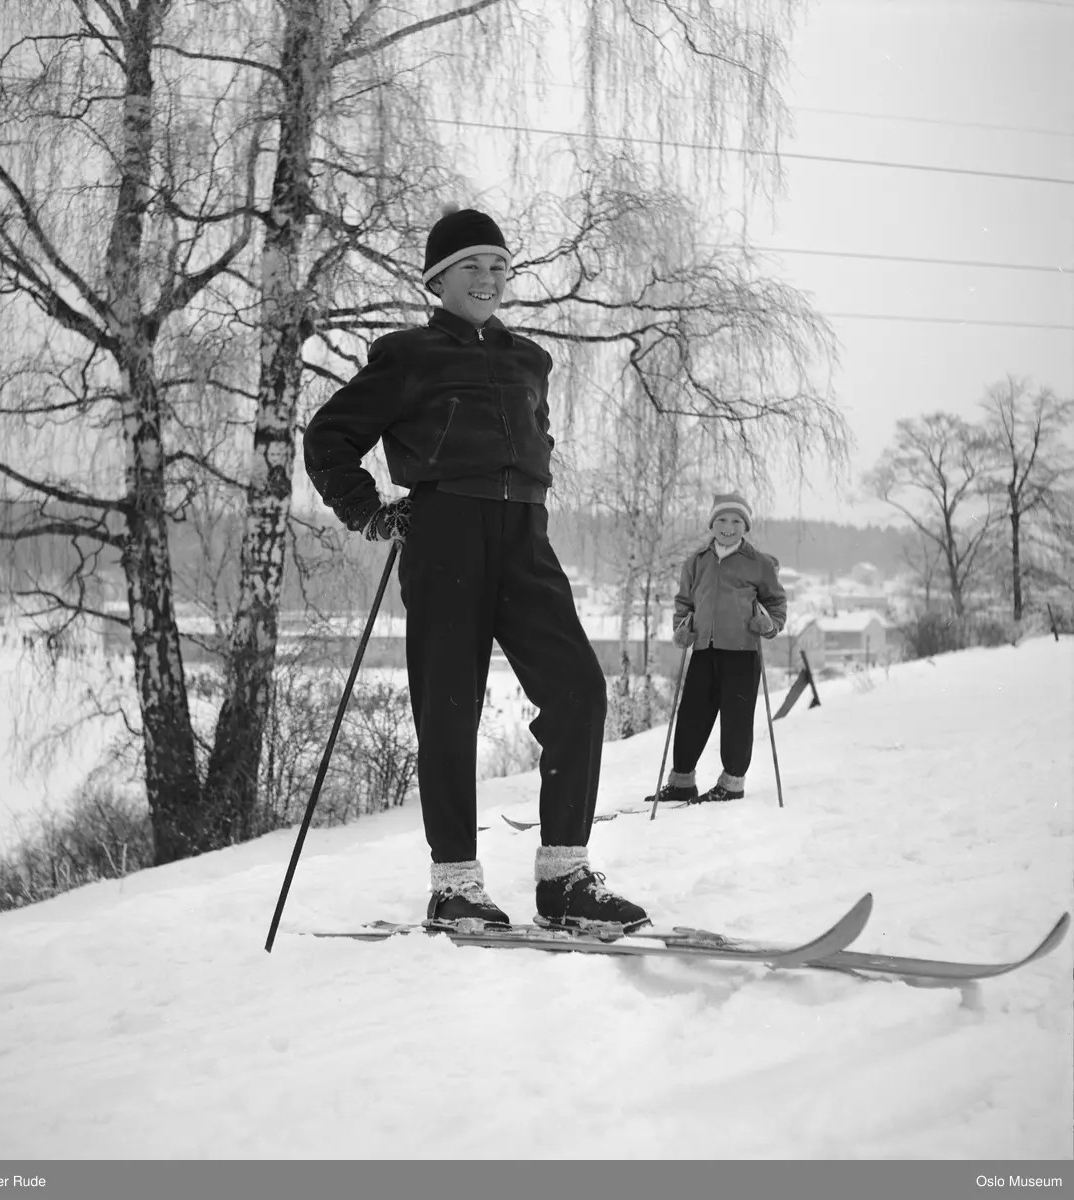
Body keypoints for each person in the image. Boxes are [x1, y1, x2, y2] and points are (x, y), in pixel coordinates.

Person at [302, 206, 647, 932]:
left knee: (578, 691)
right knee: (449, 712)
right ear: (438, 280)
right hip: (446, 536)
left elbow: (537, 438)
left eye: (499, 266)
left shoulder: (528, 360)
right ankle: (455, 884)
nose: (489, 277)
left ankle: (564, 879)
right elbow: (330, 437)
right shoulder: (408, 357)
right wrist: (371, 512)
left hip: (525, 535)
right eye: (472, 267)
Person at [648, 492, 787, 805]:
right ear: (712, 524)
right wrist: (682, 627)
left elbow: (776, 603)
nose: (728, 526)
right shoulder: (697, 562)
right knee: (691, 717)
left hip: (742, 653)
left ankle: (732, 783)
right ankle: (682, 781)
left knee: (736, 720)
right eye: (722, 519)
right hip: (704, 650)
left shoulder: (759, 564)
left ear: (745, 527)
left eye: (736, 521)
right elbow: (684, 602)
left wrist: (769, 624)